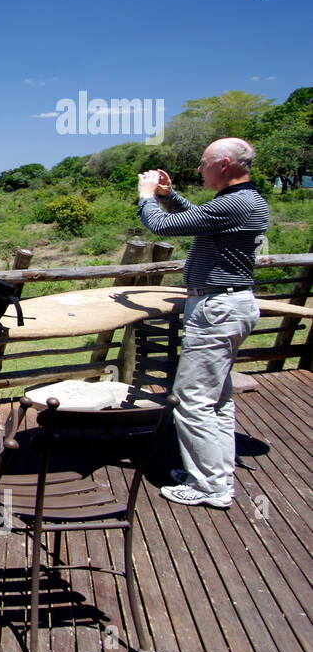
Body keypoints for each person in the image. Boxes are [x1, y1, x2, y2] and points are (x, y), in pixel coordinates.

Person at [136, 137, 269, 509]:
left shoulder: (236, 203)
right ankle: (215, 474)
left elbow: (163, 227)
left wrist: (147, 195)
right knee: (216, 400)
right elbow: (197, 220)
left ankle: (210, 486)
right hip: (228, 304)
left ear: (223, 164)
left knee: (192, 401)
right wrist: (170, 194)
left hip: (217, 308)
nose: (199, 168)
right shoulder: (242, 201)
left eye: (203, 162)